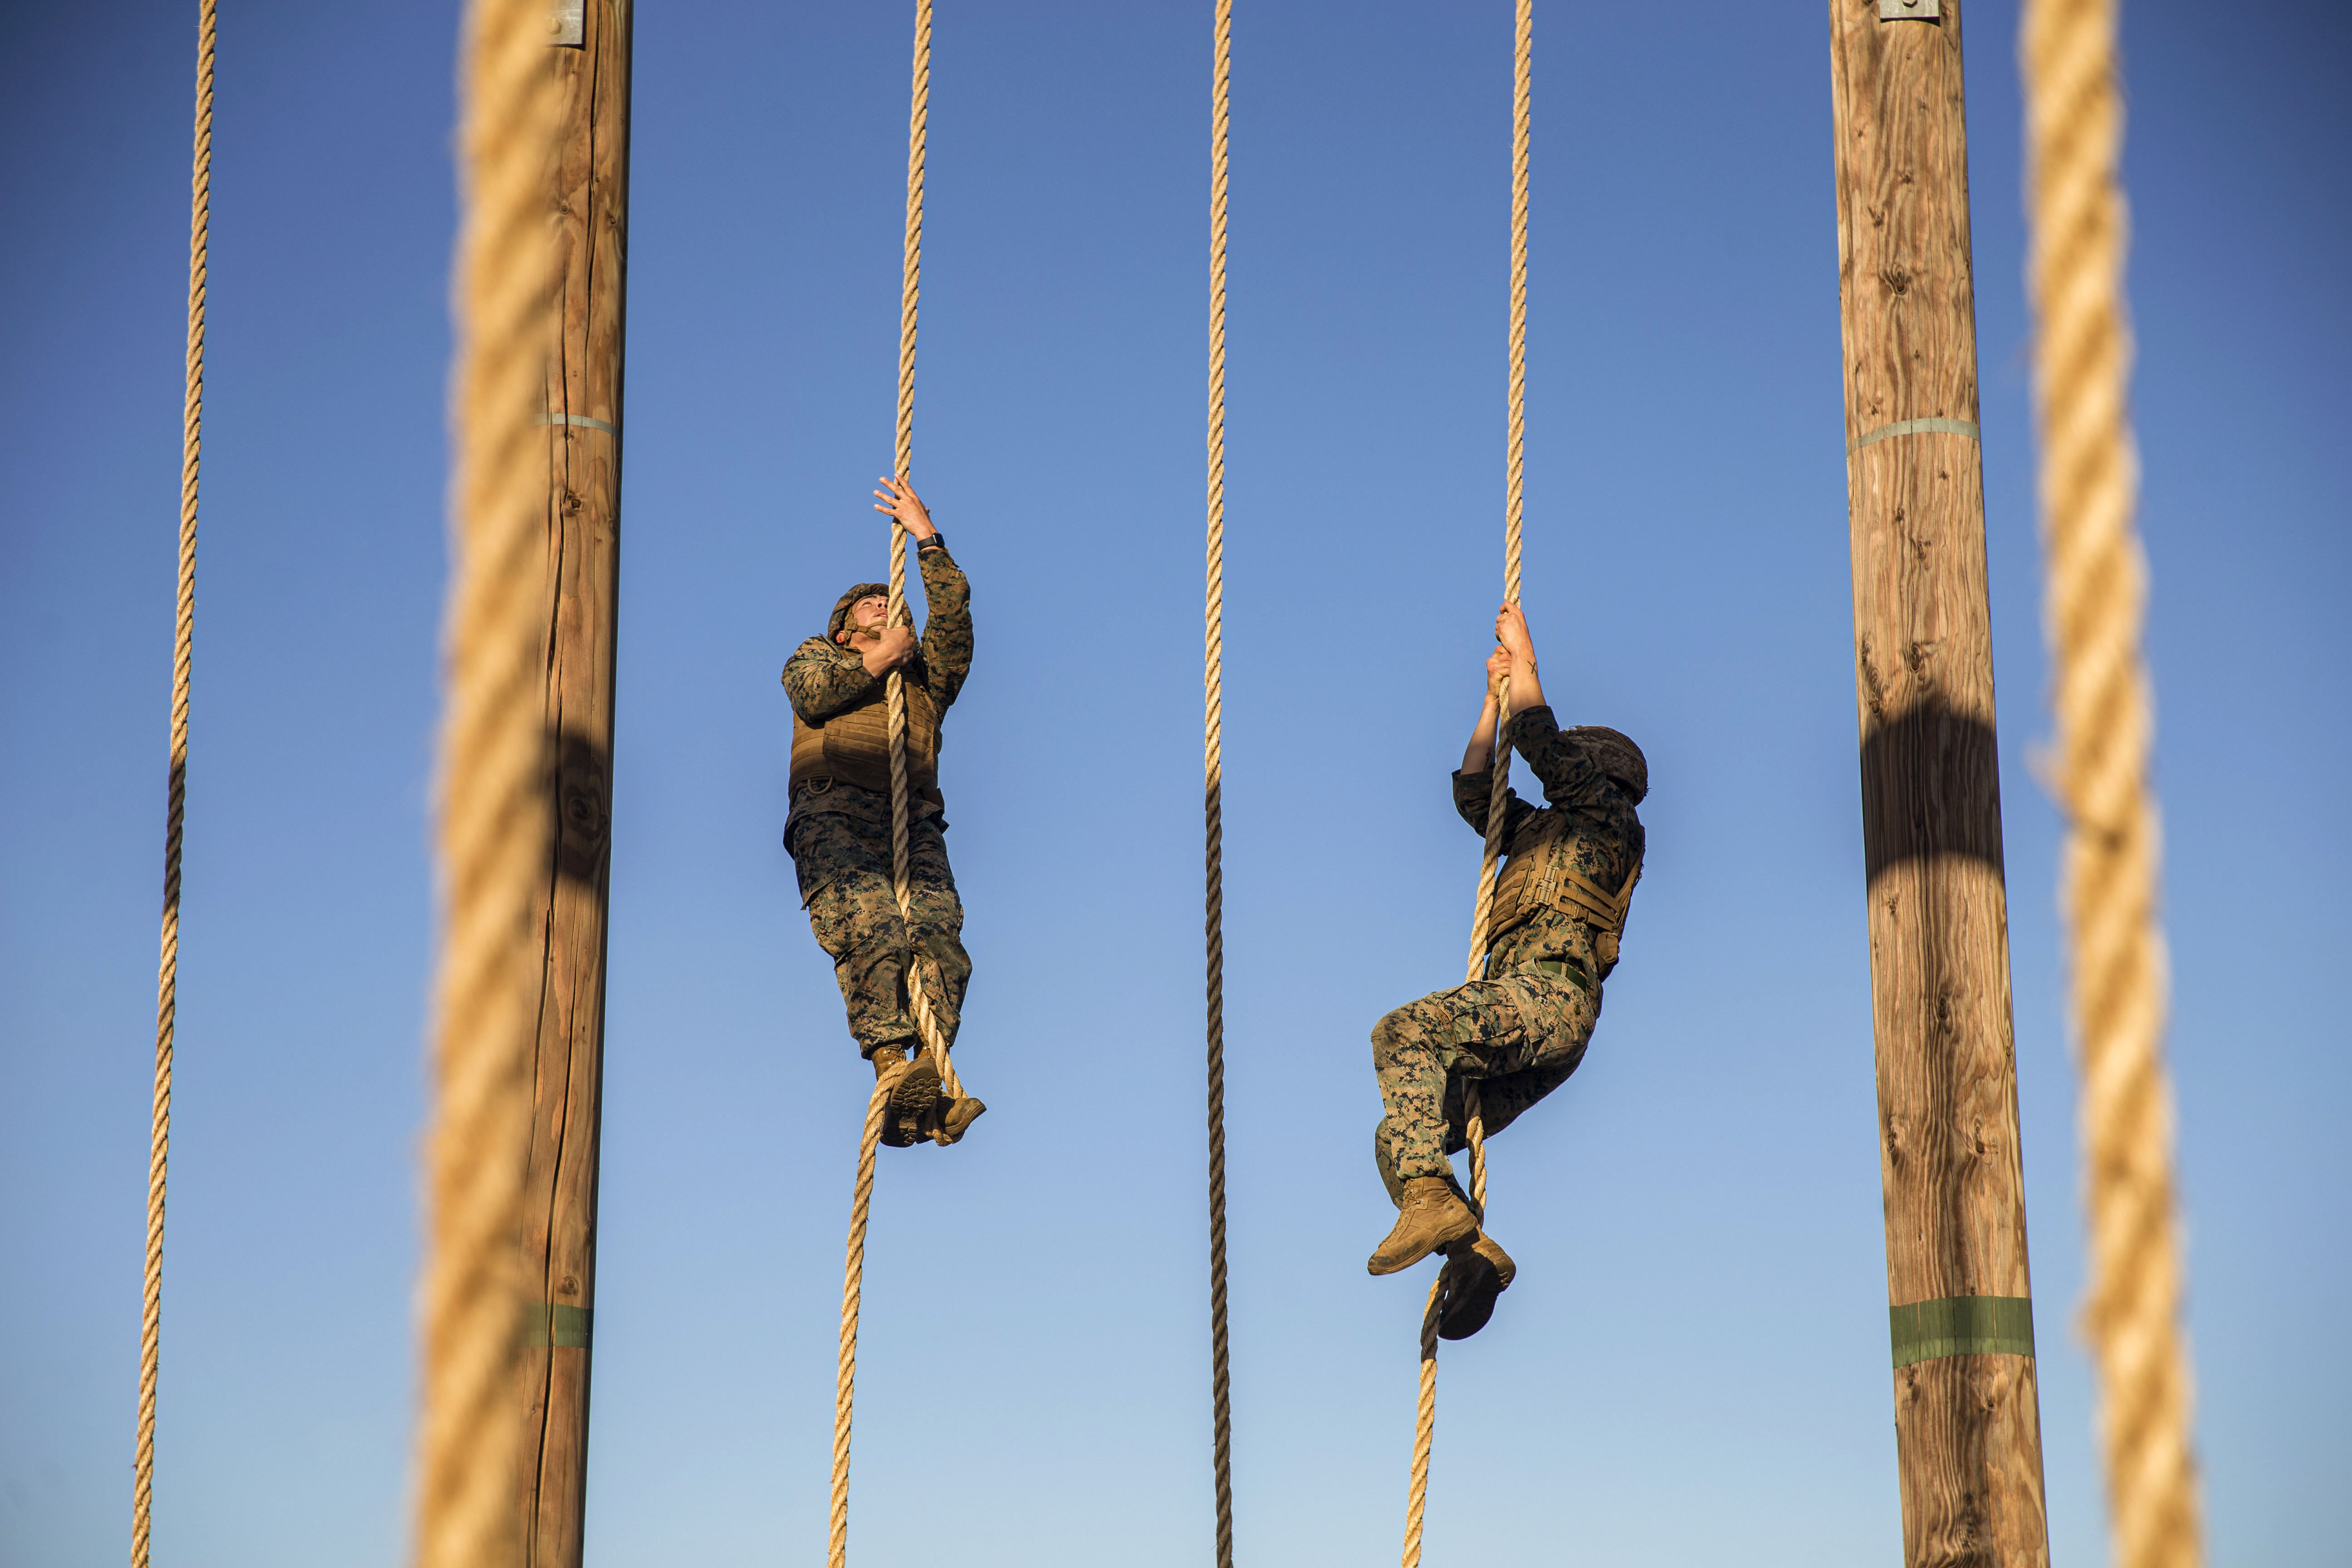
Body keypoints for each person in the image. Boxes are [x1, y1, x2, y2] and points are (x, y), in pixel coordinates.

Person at [1366, 601, 1647, 1339]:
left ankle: (1432, 1200)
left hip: (1549, 1004)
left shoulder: (1611, 826)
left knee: (1405, 1033)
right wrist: (1491, 704)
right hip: (1519, 1013)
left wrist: (1526, 664)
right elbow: (1473, 792)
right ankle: (1471, 1250)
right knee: (1400, 1134)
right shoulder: (1537, 832)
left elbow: (1544, 747)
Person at [782, 475, 983, 1148]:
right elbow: (811, 695)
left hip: (914, 821)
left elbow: (952, 624)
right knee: (873, 926)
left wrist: (928, 540)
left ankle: (927, 1085)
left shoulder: (923, 684)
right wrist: (880, 657)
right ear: (844, 629)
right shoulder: (819, 656)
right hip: (836, 811)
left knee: (941, 945)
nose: (880, 604)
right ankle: (892, 1067)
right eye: (868, 604)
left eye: (886, 602)